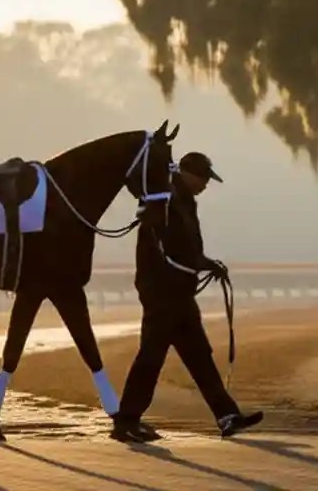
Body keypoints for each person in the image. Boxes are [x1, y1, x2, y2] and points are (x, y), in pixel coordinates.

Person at [110, 151, 264, 442]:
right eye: (204, 178)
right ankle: (126, 421)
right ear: (189, 173)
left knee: (199, 356)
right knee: (151, 357)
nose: (206, 184)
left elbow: (187, 248)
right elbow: (167, 246)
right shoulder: (163, 199)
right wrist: (201, 264)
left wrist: (207, 263)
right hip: (161, 291)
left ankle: (227, 416)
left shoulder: (184, 201)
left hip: (180, 292)